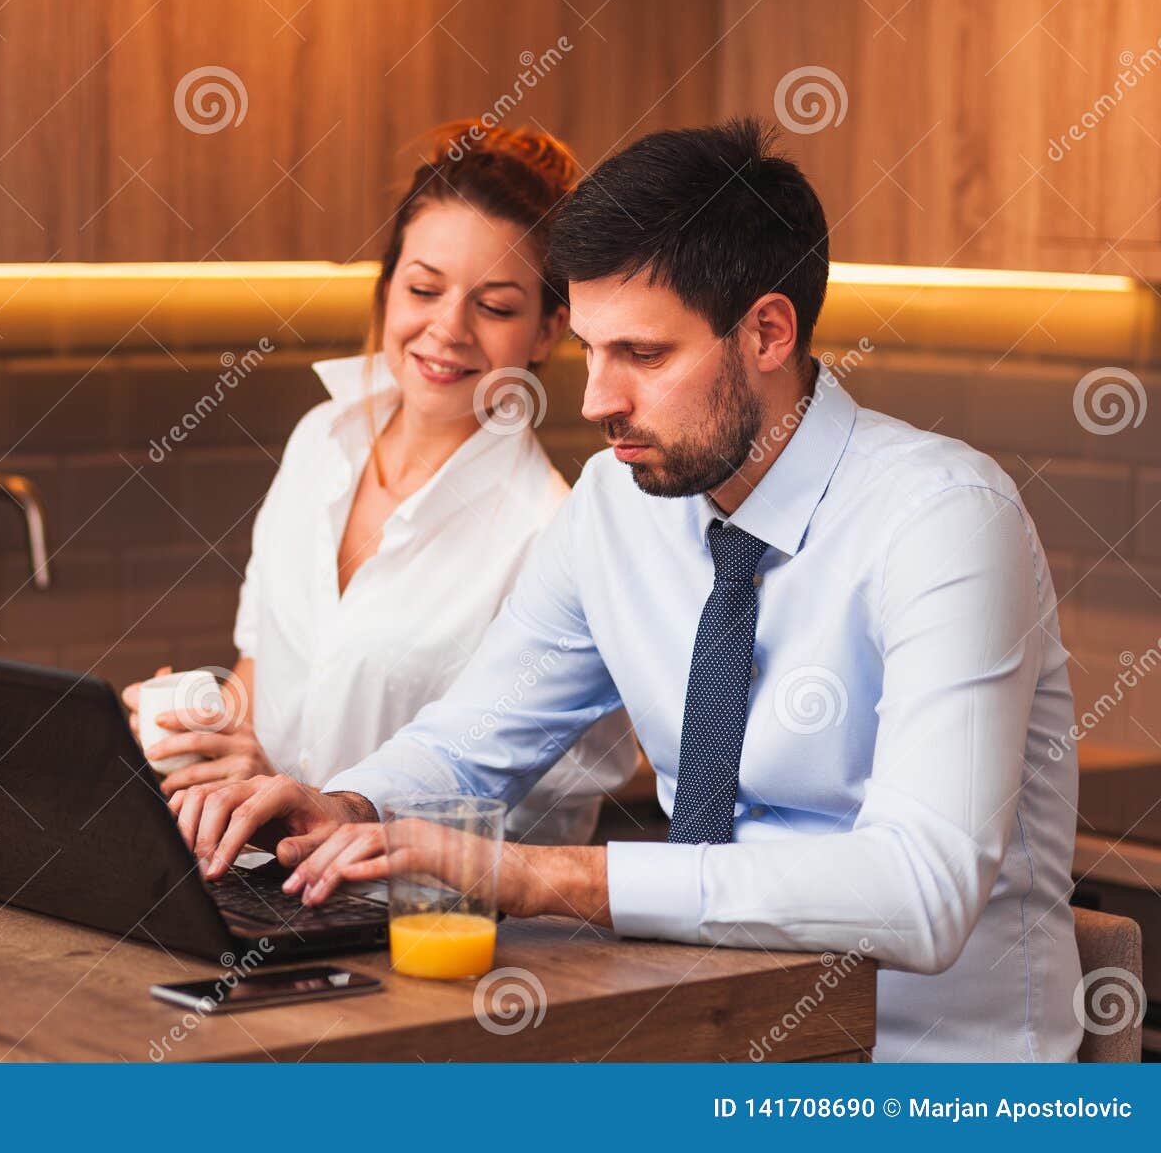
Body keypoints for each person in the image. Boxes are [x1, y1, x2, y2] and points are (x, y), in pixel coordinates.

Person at [168, 118, 1082, 1062]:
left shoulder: (945, 520)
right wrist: (347, 806)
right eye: (593, 350)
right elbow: (471, 741)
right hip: (697, 1038)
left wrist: (532, 877)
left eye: (642, 356)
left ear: (768, 331)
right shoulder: (617, 502)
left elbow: (919, 893)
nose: (596, 399)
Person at [124, 121, 635, 846]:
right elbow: (259, 675)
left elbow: (528, 823)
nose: (447, 328)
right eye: (424, 287)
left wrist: (301, 799)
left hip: (418, 930)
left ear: (550, 330)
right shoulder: (318, 444)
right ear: (389, 286)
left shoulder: (551, 532)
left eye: (494, 306)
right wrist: (203, 730)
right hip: (263, 883)